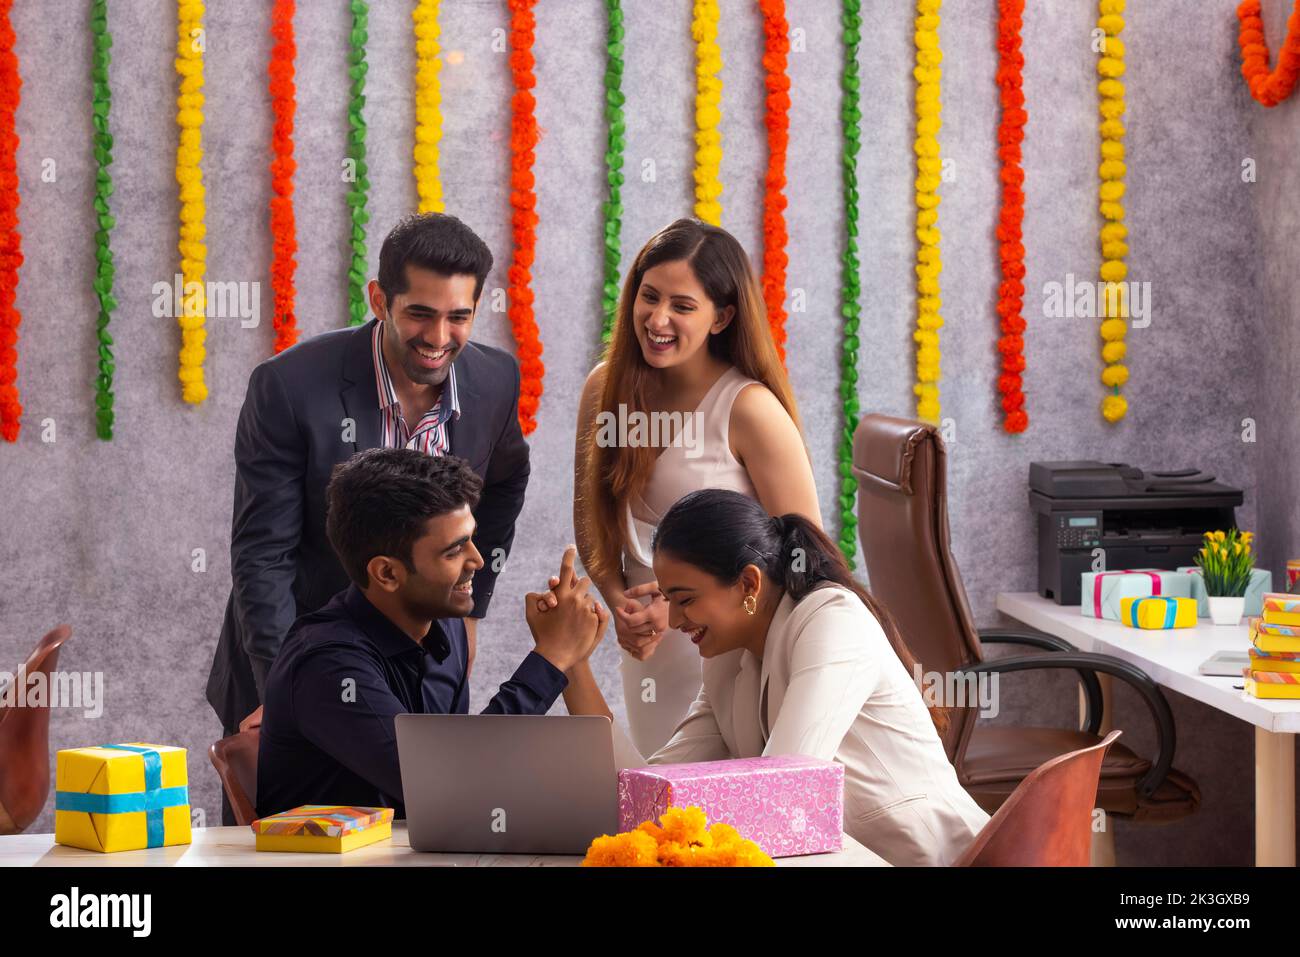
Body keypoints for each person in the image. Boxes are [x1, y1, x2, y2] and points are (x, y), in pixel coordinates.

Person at [208, 213, 530, 823]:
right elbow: (263, 553)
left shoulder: (495, 378)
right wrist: (284, 684)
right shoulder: (289, 386)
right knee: (283, 849)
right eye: (419, 313)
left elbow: (507, 479)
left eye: (458, 316)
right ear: (379, 298)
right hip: (295, 655)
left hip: (420, 655)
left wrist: (471, 602)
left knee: (430, 814)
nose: (439, 336)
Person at [553, 488, 990, 867]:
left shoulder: (831, 620)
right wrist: (571, 662)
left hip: (929, 858)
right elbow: (649, 791)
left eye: (685, 599)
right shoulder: (727, 656)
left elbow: (780, 794)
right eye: (669, 599)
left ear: (748, 583)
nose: (674, 618)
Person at [573, 218, 821, 759]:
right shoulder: (605, 387)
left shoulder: (750, 410)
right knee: (664, 805)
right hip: (648, 650)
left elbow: (806, 557)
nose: (657, 319)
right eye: (649, 297)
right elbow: (594, 520)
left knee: (731, 818)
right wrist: (621, 605)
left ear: (721, 317)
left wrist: (681, 610)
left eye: (682, 306)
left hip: (733, 652)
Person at [256, 448, 606, 819]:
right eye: (454, 551)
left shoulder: (445, 624)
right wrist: (551, 659)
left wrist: (570, 656)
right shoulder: (327, 664)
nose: (478, 561)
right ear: (387, 574)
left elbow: (461, 763)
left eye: (472, 538)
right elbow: (444, 787)